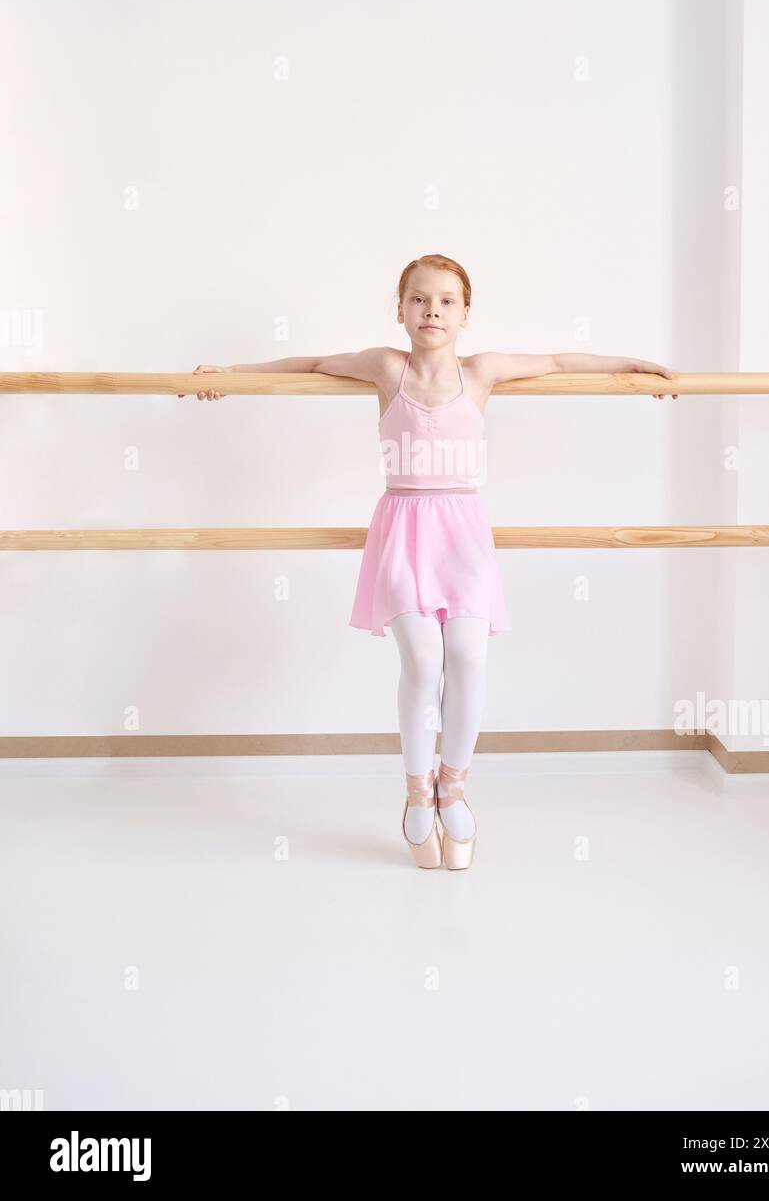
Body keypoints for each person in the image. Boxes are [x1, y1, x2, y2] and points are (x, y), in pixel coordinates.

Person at [180, 253, 677, 871]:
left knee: (467, 654)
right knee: (423, 658)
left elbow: (556, 361)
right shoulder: (388, 367)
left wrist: (636, 365)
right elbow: (309, 363)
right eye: (419, 299)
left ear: (465, 313)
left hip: (462, 530)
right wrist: (231, 374)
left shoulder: (483, 371)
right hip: (403, 526)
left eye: (445, 300)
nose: (432, 310)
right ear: (400, 310)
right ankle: (417, 796)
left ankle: (455, 787)